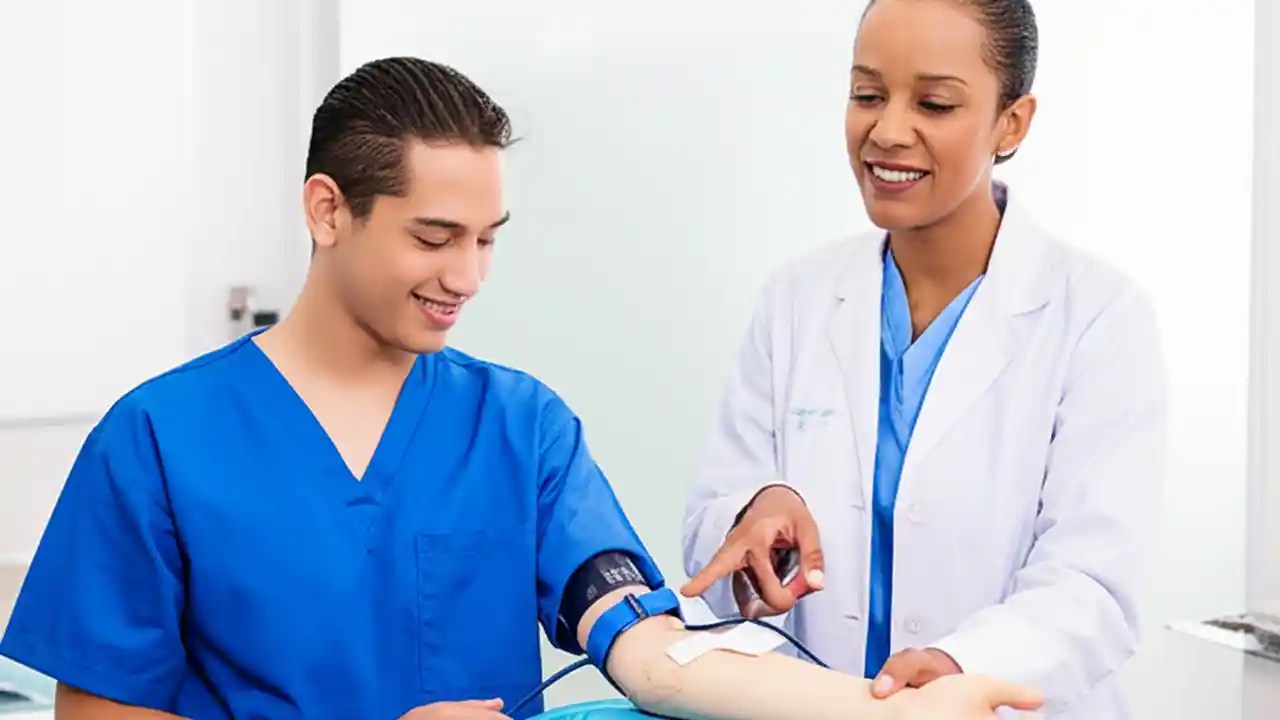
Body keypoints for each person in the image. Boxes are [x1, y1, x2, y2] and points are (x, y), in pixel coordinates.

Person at [0, 57, 1041, 720]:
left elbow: (650, 653)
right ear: (328, 209)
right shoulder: (158, 441)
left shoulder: (518, 427)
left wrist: (874, 713)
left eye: (488, 240)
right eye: (434, 237)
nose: (468, 278)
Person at [681, 1, 1167, 719]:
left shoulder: (1096, 316)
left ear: (1013, 123)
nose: (887, 130)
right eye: (867, 95)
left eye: (934, 103)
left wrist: (962, 664)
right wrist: (754, 518)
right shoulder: (798, 299)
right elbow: (712, 533)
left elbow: (1093, 583)